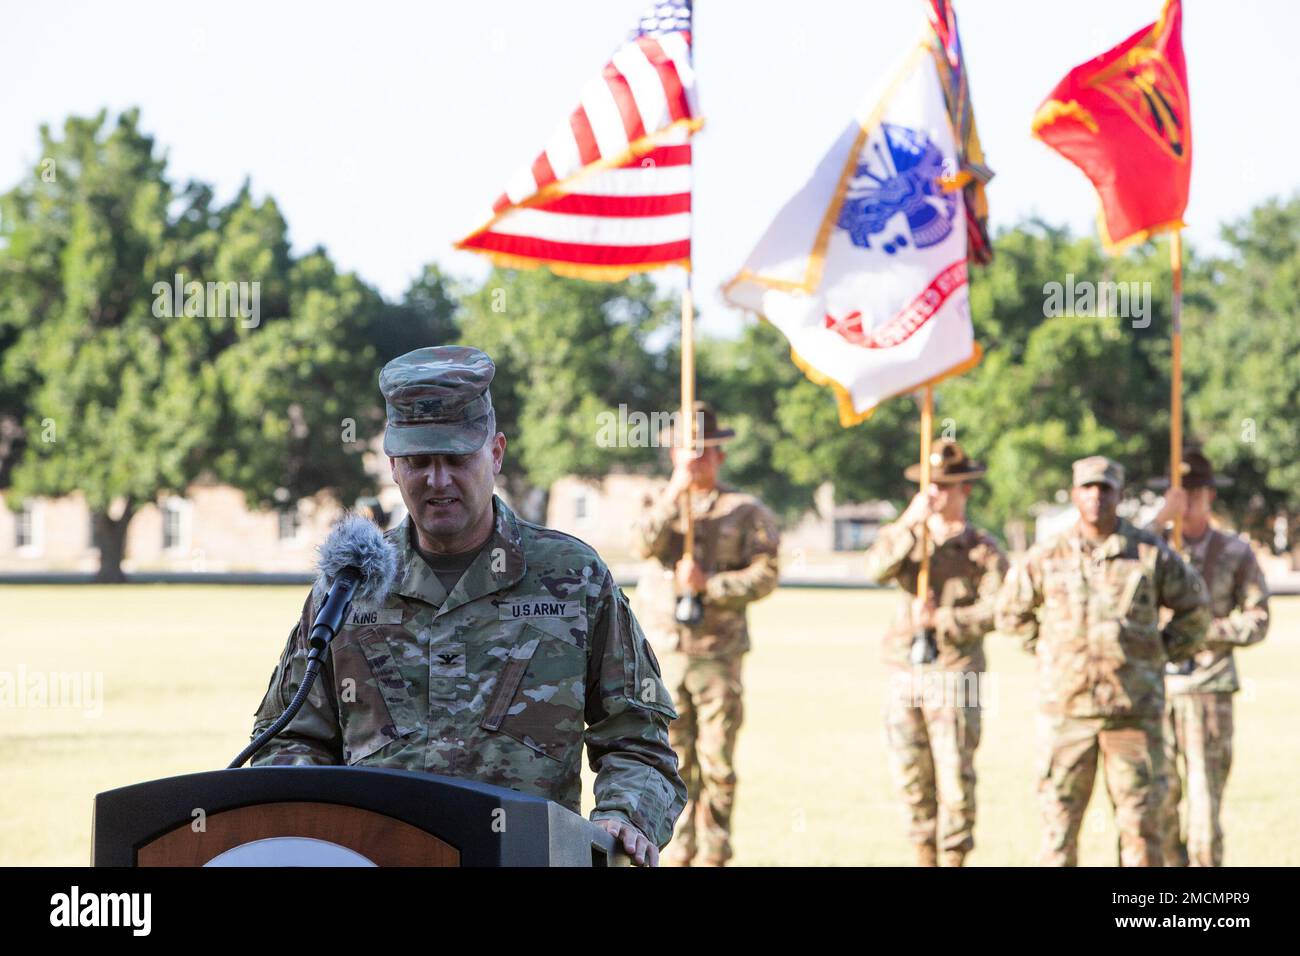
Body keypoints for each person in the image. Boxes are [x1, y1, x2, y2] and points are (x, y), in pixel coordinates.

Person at [248, 346, 686, 866]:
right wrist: (309, 821)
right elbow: (288, 739)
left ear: (495, 453)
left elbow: (637, 738)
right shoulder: (349, 585)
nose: (438, 481)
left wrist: (625, 816)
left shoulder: (573, 578)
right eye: (418, 462)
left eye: (457, 459)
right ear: (393, 465)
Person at [996, 456, 1209, 866]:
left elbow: (1196, 611)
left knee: (1142, 835)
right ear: (1075, 494)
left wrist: (1160, 652)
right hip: (1067, 714)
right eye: (1088, 488)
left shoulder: (1148, 553)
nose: (1096, 497)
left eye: (1105, 489)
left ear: (1120, 495)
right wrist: (1050, 651)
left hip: (1132, 714)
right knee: (1058, 835)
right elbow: (1009, 613)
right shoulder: (1048, 555)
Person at [631, 401, 780, 866]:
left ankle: (714, 854)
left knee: (717, 766)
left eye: (705, 451)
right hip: (664, 656)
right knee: (669, 763)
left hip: (717, 654)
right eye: (686, 450)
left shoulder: (745, 510)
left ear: (720, 456)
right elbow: (641, 544)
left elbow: (767, 573)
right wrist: (677, 489)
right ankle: (674, 855)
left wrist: (710, 587)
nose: (697, 459)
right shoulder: (657, 502)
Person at [863, 439, 1007, 867]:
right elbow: (875, 568)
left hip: (955, 674)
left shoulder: (983, 548)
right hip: (906, 673)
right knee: (912, 778)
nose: (938, 493)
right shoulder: (911, 538)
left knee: (955, 780)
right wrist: (910, 520)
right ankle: (923, 856)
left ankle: (955, 858)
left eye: (948, 486)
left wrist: (942, 619)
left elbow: (999, 609)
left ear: (966, 490)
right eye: (933, 485)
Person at [1147, 450, 1270, 866]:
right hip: (1155, 688)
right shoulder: (1153, 547)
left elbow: (1258, 618)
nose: (1187, 500)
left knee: (1204, 806)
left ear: (1210, 496)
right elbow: (1116, 550)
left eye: (1195, 492)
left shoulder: (1234, 552)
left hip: (1208, 688)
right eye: (1179, 492)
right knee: (1157, 802)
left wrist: (1204, 630)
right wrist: (1161, 517)